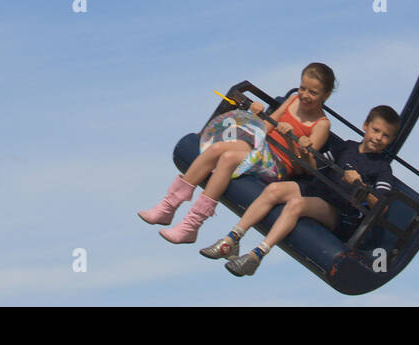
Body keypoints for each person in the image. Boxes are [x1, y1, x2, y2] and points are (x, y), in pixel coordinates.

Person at [137, 64, 334, 245]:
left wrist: (291, 138)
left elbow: (303, 166)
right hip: (261, 148)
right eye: (303, 88)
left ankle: (192, 224)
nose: (305, 95)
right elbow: (266, 126)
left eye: (313, 92)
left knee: (229, 158)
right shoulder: (292, 100)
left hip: (278, 165)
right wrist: (258, 114)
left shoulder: (322, 124)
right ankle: (168, 205)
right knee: (216, 149)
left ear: (326, 95)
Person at [205, 105, 401, 277]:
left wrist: (362, 187)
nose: (378, 138)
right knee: (274, 190)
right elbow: (315, 167)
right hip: (317, 188)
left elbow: (381, 206)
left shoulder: (382, 169)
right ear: (366, 126)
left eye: (385, 136)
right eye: (376, 130)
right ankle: (232, 239)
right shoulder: (346, 147)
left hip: (339, 209)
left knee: (297, 205)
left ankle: (256, 256)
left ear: (391, 140)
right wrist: (306, 151)